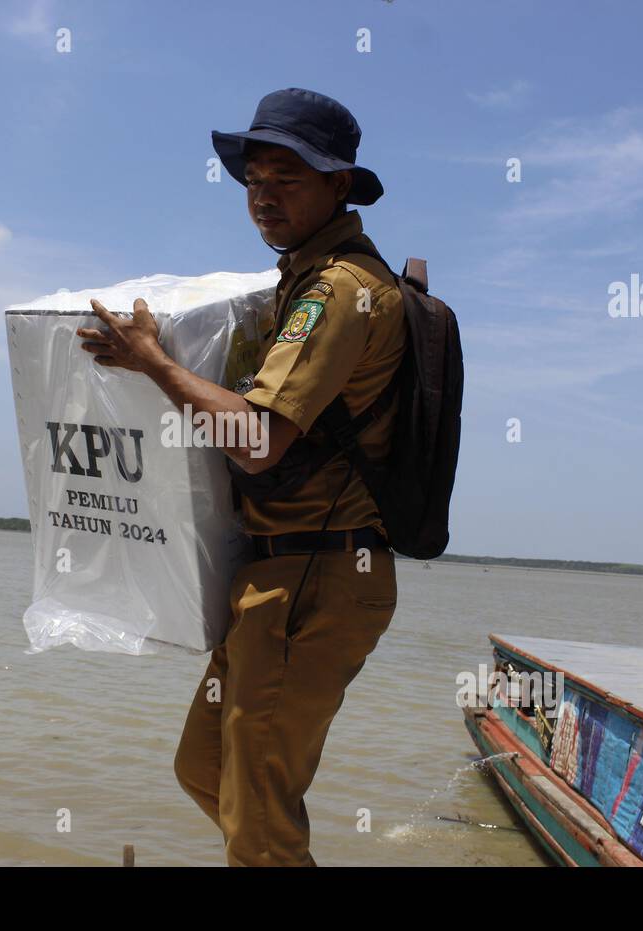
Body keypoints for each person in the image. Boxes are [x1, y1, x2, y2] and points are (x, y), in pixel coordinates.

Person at [76, 88, 405, 865]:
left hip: (317, 579)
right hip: (276, 578)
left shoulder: (339, 292)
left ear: (338, 186)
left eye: (287, 178)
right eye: (254, 179)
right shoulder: (300, 282)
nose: (264, 197)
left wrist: (152, 362)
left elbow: (255, 442)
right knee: (207, 769)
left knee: (257, 821)